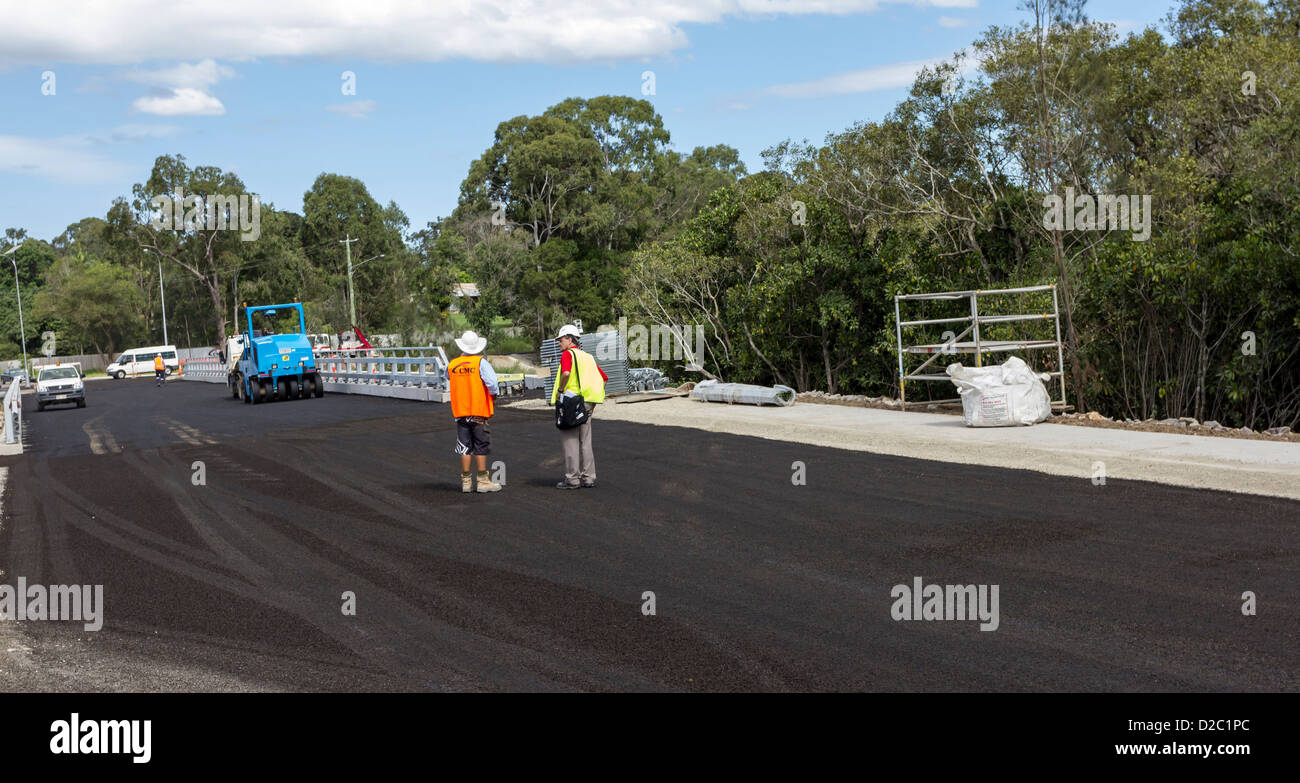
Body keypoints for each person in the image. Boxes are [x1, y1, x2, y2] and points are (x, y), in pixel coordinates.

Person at [550, 323, 607, 489]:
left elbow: (566, 373)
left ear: (569, 339)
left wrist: (561, 390)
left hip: (570, 403)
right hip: (587, 403)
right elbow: (603, 378)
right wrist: (593, 402)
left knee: (570, 441)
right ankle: (589, 478)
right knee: (585, 442)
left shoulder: (568, 354)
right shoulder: (588, 357)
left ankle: (572, 479)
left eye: (560, 340)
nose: (559, 343)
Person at [447, 330, 502, 493]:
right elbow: (492, 383)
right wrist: (494, 395)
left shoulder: (453, 364)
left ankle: (466, 482)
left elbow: (448, 377)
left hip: (460, 411)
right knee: (480, 445)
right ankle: (483, 481)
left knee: (464, 446)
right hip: (478, 410)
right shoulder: (480, 363)